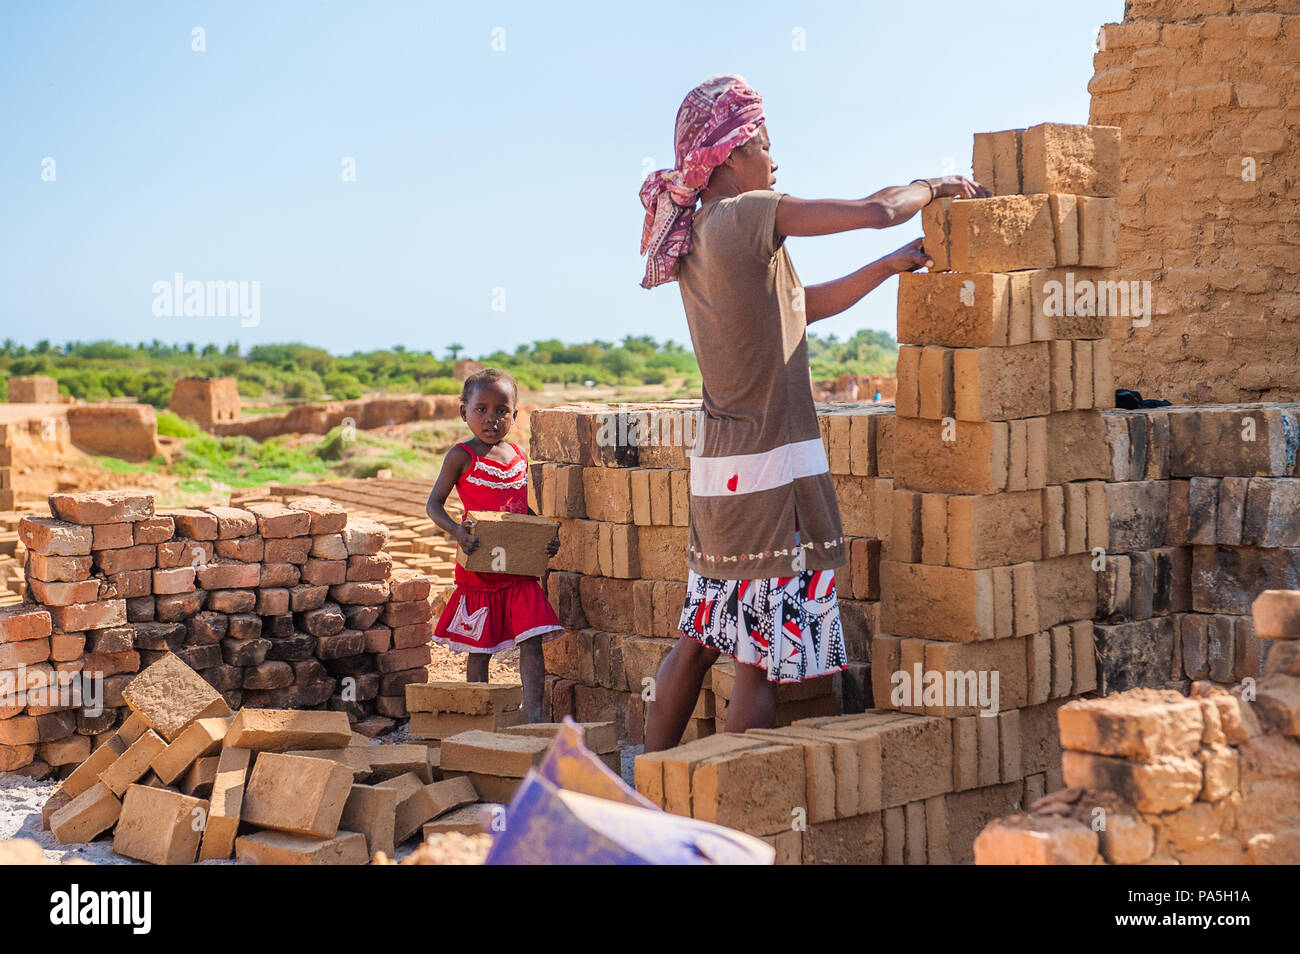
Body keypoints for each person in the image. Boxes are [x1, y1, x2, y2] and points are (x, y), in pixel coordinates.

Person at [638, 74, 989, 751]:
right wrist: (936, 185)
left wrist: (886, 269)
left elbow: (800, 309)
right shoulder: (746, 216)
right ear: (729, 156)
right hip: (773, 472)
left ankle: (649, 790)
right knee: (759, 658)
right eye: (765, 148)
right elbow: (876, 208)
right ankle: (726, 811)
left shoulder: (701, 235)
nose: (775, 162)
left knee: (703, 635)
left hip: (720, 476)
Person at [426, 368, 562, 722]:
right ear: (463, 412)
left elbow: (519, 508)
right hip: (481, 567)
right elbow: (434, 504)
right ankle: (482, 719)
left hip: (518, 568)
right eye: (481, 409)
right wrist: (458, 532)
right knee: (480, 646)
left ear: (515, 416)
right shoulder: (461, 456)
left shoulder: (518, 455)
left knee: (530, 641)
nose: (491, 418)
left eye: (502, 410)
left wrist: (542, 535)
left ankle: (535, 718)